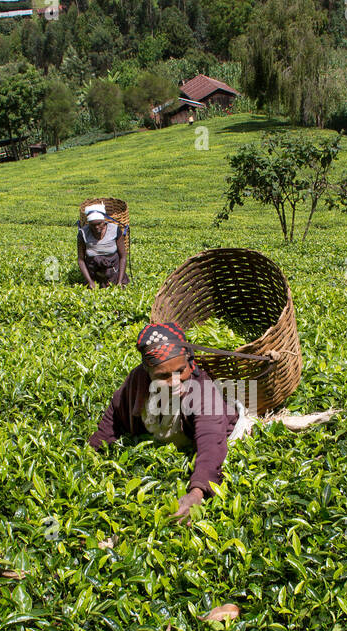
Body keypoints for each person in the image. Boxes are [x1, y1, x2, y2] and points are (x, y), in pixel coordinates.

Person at [89, 322, 242, 521]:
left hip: (211, 435)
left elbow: (211, 441)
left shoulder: (202, 391)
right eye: (163, 376)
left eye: (180, 371)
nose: (175, 381)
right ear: (147, 371)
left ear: (189, 359)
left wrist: (197, 491)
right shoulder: (137, 381)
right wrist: (91, 452)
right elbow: (115, 414)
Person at [77, 205, 128, 287]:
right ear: (88, 223)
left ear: (104, 221)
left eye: (99, 224)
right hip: (93, 272)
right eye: (92, 225)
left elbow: (123, 257)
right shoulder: (83, 233)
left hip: (113, 271)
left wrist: (120, 281)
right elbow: (81, 260)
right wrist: (90, 282)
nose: (96, 227)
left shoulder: (114, 230)